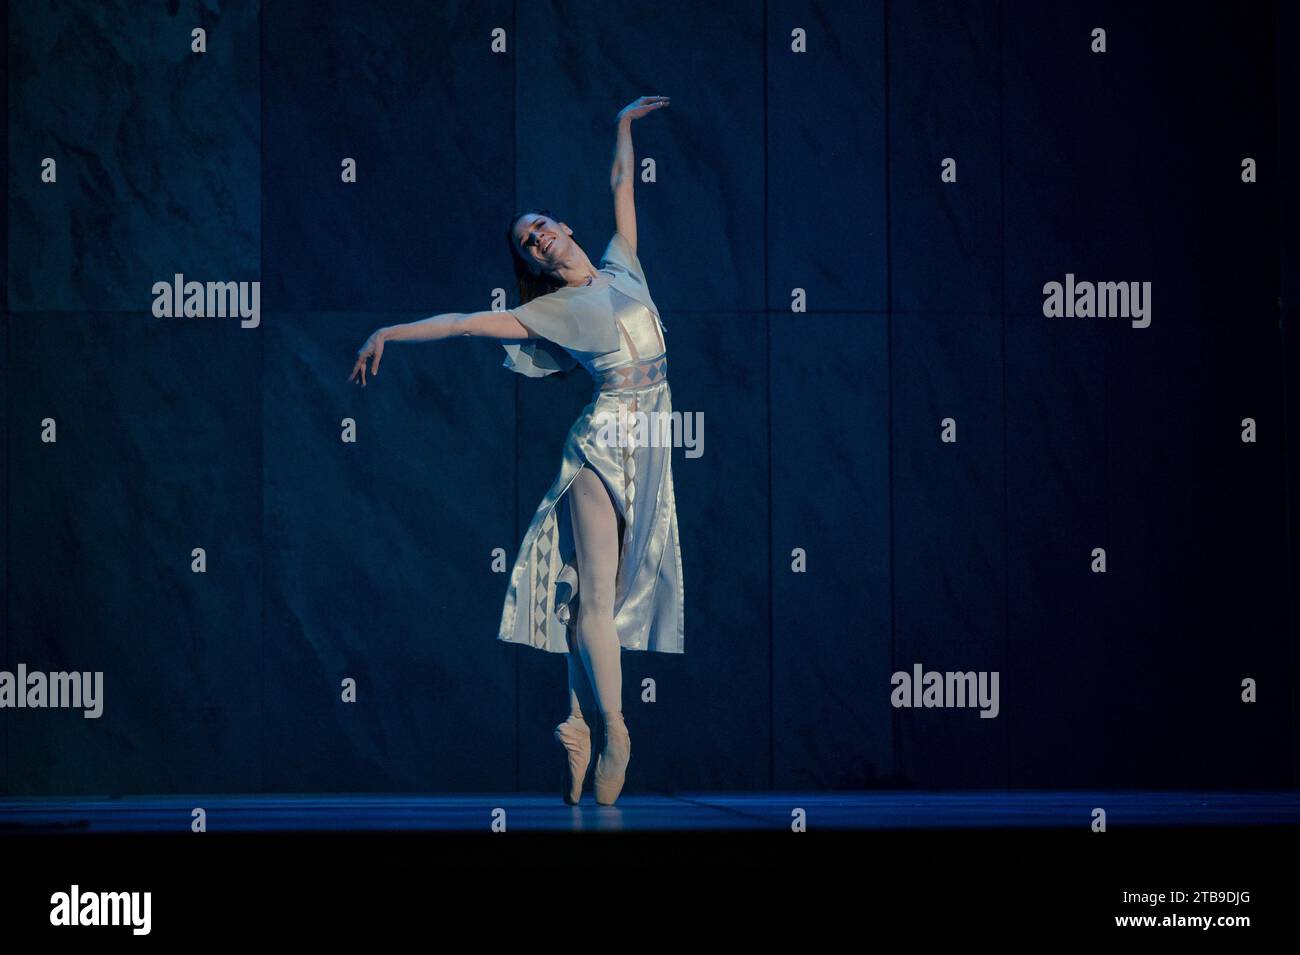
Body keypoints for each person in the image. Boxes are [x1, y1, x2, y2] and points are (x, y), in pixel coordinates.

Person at [349, 96, 681, 806]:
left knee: (600, 601)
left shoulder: (624, 266)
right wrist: (389, 333)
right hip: (603, 442)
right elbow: (465, 323)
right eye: (527, 243)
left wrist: (620, 123)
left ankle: (575, 724)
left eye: (540, 228)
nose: (537, 241)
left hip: (651, 440)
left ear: (563, 226)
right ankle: (616, 729)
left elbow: (622, 183)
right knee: (595, 595)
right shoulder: (543, 310)